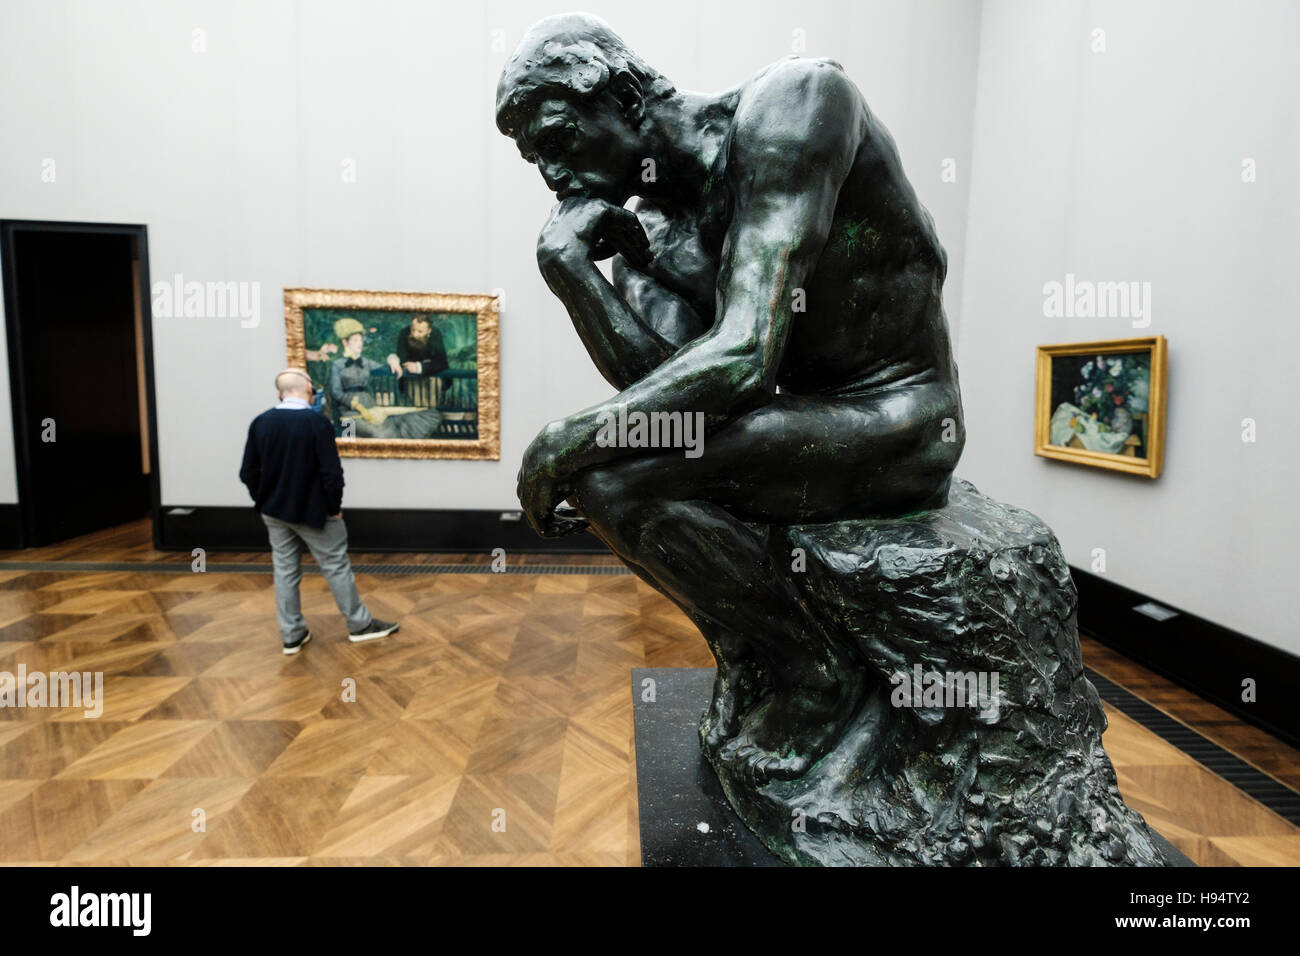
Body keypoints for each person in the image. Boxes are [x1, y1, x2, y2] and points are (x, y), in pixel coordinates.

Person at [495, 14, 965, 780]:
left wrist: (564, 441)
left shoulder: (797, 104)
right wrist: (572, 275)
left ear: (622, 96)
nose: (551, 176)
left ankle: (815, 674)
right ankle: (758, 650)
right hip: (801, 423)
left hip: (901, 418)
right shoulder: (648, 235)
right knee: (619, 471)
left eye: (558, 139)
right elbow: (671, 399)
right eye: (531, 157)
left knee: (606, 474)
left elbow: (744, 358)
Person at [239, 368, 399, 654]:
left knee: (285, 571)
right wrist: (334, 507)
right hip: (315, 512)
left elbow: (248, 472)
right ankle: (360, 626)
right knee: (335, 566)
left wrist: (263, 500)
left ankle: (292, 635)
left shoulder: (260, 423)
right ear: (310, 390)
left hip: (274, 512)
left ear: (280, 393)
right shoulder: (317, 423)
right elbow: (331, 474)